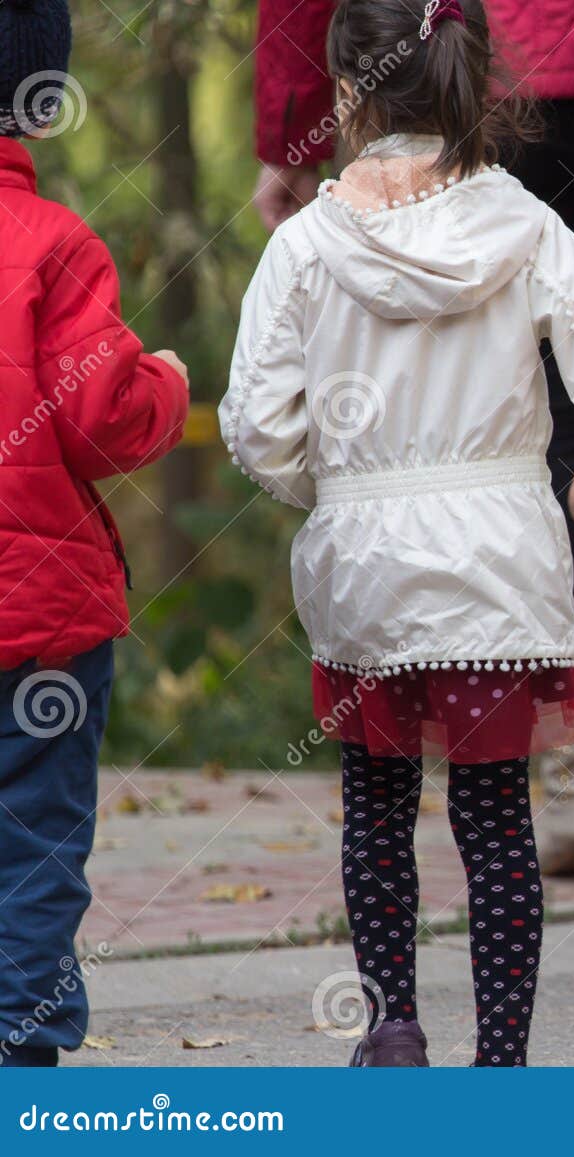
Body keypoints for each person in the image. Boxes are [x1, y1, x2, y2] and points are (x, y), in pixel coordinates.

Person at [220, 0, 574, 1066]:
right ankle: (503, 1061)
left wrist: (330, 487)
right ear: (476, 86)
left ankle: (390, 1024)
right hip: (501, 575)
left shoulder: (302, 249)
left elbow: (257, 426)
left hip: (363, 581)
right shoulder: (524, 227)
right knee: (496, 824)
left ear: (344, 95)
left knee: (378, 813)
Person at [0, 0, 190, 1068]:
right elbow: (104, 418)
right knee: (33, 831)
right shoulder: (54, 244)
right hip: (44, 617)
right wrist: (165, 379)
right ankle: (16, 1035)